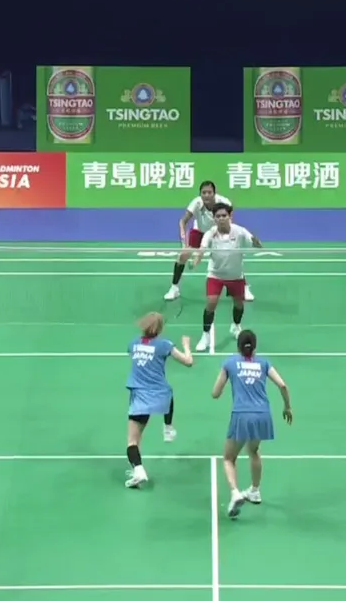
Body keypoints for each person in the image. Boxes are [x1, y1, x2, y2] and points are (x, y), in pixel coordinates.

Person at [211, 329, 293, 518]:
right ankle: (255, 490)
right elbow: (282, 385)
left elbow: (215, 393)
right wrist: (287, 407)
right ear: (254, 347)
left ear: (238, 347)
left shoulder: (230, 363)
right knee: (254, 450)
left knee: (228, 458)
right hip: (263, 415)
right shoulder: (264, 363)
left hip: (242, 415)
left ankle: (235, 493)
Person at [124, 312, 194, 488]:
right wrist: (186, 345)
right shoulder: (165, 345)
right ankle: (168, 428)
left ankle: (138, 470)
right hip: (160, 396)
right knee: (168, 393)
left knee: (132, 441)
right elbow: (188, 361)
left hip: (140, 398)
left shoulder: (133, 344)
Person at [164, 181, 254, 302]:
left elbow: (229, 222)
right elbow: (183, 221)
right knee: (183, 256)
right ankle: (174, 288)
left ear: (214, 193)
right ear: (200, 194)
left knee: (231, 258)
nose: (206, 195)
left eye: (209, 192)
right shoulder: (196, 203)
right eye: (204, 192)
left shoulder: (224, 202)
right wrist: (183, 237)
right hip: (199, 231)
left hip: (218, 232)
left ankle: (244, 287)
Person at [190, 203, 262, 352]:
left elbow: (255, 244)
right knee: (211, 303)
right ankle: (205, 335)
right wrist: (196, 260)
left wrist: (256, 242)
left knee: (239, 304)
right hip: (215, 274)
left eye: (224, 215)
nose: (221, 219)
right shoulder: (210, 234)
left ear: (230, 216)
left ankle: (235, 326)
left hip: (235, 276)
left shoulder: (240, 231)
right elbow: (202, 250)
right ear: (214, 218)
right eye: (218, 216)